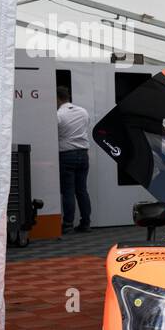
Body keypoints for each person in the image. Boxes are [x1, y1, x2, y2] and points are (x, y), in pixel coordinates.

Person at [56, 86, 92, 233]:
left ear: (57, 98)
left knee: (68, 191)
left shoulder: (58, 114)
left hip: (66, 155)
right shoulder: (83, 112)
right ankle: (86, 223)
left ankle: (68, 224)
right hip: (83, 155)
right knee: (82, 190)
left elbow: (54, 133)